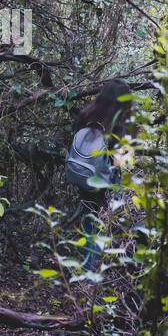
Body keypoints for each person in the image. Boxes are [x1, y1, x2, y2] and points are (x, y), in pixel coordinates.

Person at [63, 79, 132, 270]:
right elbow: (120, 161)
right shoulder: (117, 125)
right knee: (100, 223)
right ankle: (91, 269)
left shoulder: (86, 115)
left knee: (89, 219)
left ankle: (88, 265)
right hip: (102, 180)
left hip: (80, 173)